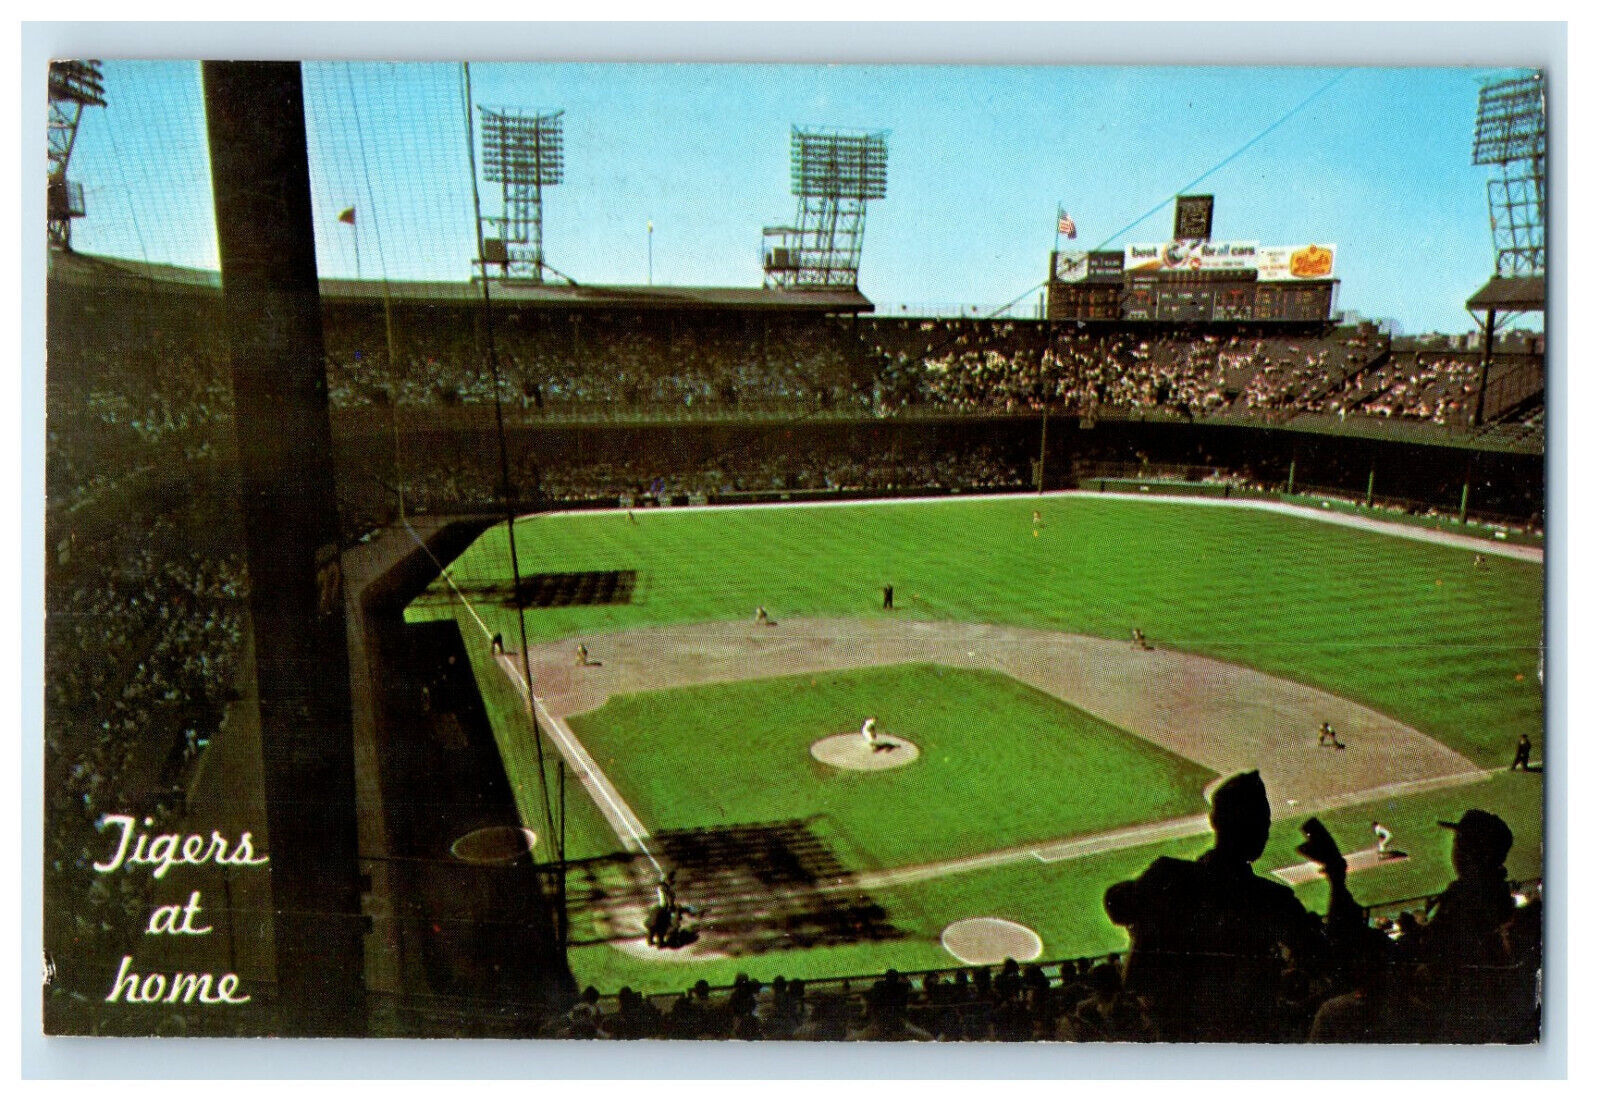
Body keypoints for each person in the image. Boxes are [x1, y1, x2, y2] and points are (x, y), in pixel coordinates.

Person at [1103, 770, 1368, 1042]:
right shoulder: (1272, 900)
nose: (1265, 832)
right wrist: (1336, 874)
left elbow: (1118, 911)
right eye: (1261, 823)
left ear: (1214, 821)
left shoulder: (1167, 875)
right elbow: (1334, 963)